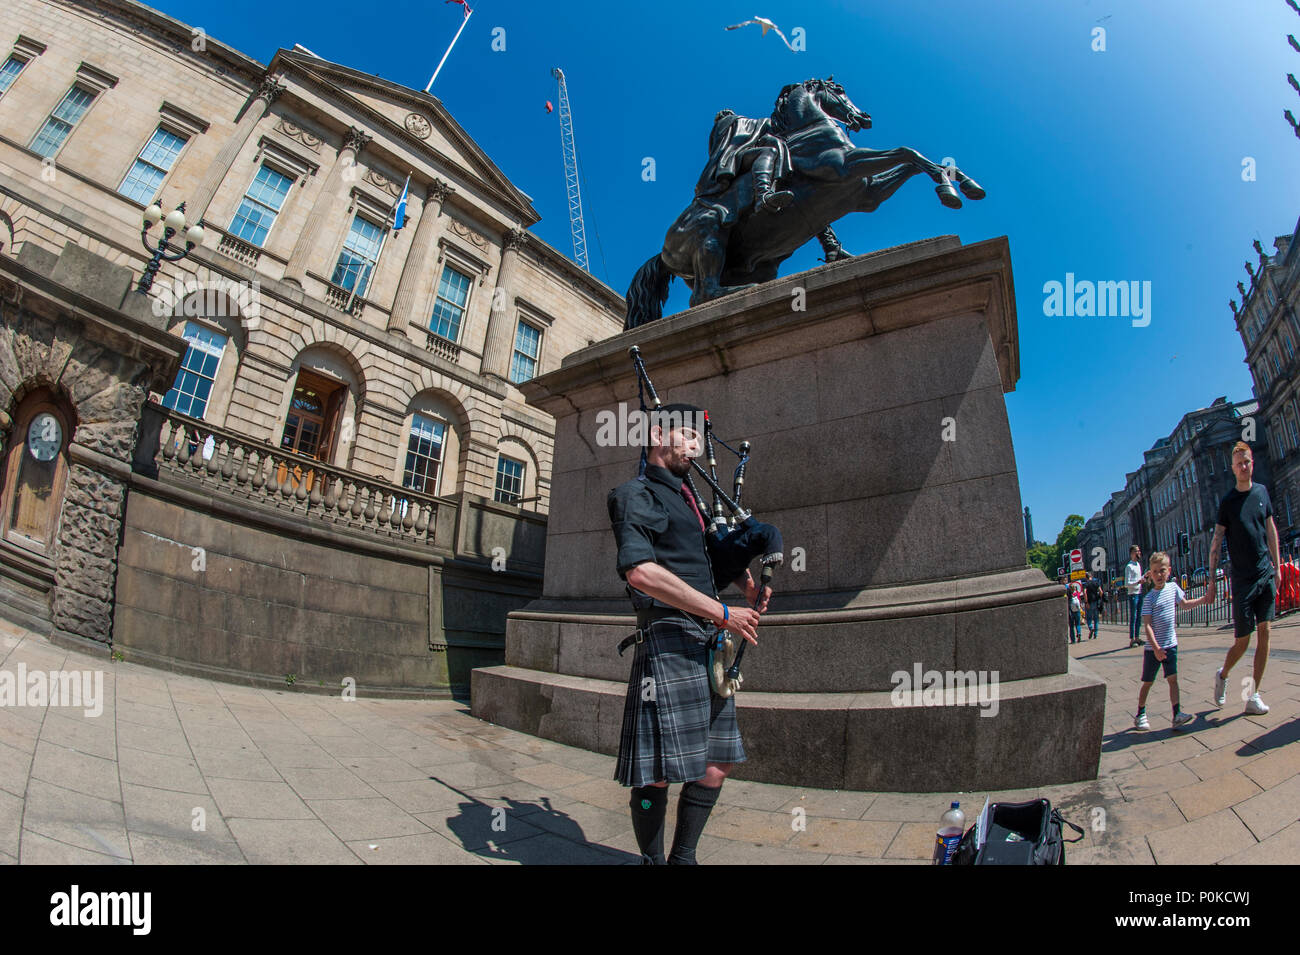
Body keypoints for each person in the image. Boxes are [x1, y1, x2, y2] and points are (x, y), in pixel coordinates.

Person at [607, 403, 771, 865]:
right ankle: (654, 861)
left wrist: (747, 582)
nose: (696, 448)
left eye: (700, 441)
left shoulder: (691, 502)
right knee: (657, 772)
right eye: (689, 437)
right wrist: (723, 611)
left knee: (718, 761)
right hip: (667, 637)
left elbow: (705, 558)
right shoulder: (634, 494)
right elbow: (640, 572)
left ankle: (683, 859)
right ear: (659, 434)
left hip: (705, 640)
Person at [1208, 441, 1281, 715]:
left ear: (1252, 463)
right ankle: (1223, 674)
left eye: (1247, 462)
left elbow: (1270, 528)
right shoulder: (1228, 502)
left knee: (1266, 633)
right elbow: (1216, 541)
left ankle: (1252, 695)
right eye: (1238, 463)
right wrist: (1213, 580)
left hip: (1265, 573)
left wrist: (1277, 563)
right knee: (1243, 641)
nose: (1243, 467)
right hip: (1242, 579)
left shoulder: (1262, 492)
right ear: (1233, 468)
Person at [1134, 551, 1214, 731]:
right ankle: (1140, 713)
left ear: (1168, 571)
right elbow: (1147, 626)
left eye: (1162, 570)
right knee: (1148, 682)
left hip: (1170, 645)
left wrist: (1202, 600)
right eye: (1155, 572)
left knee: (1173, 679)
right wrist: (1155, 648)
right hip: (1153, 649)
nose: (1159, 575)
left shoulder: (1173, 588)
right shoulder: (1149, 599)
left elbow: (1184, 604)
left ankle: (1176, 714)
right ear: (1150, 574)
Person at [1124, 545, 1144, 647]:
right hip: (1133, 594)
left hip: (1139, 593)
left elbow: (1139, 579)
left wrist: (1145, 577)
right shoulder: (1129, 566)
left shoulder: (1138, 565)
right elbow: (1126, 583)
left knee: (1139, 616)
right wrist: (1138, 582)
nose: (1139, 553)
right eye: (1137, 551)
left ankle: (1137, 637)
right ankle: (1132, 639)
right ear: (1132, 553)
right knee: (1133, 616)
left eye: (1139, 551)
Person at [1083, 574, 1103, 638]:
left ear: (1086, 578)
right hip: (1096, 602)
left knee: (1088, 618)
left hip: (1089, 602)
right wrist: (1099, 598)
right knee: (1096, 619)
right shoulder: (1096, 583)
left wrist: (1086, 602)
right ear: (1091, 577)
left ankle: (1091, 628)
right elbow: (1101, 592)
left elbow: (1084, 592)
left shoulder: (1086, 584)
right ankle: (1096, 634)